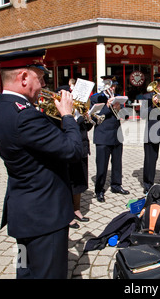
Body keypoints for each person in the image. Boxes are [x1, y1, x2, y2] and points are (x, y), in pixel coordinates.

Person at [0, 49, 83, 279]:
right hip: (44, 218)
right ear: (23, 78)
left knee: (25, 270)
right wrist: (68, 116)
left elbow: (38, 144)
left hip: (23, 214)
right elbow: (73, 151)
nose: (42, 85)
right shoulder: (25, 116)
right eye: (39, 79)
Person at [57, 82, 93, 229]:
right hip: (66, 150)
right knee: (67, 182)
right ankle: (66, 215)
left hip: (82, 147)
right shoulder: (58, 110)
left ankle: (76, 210)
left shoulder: (78, 108)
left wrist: (87, 118)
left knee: (79, 180)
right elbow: (64, 127)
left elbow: (87, 128)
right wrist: (77, 120)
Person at [90, 75, 129, 203]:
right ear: (105, 85)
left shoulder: (118, 98)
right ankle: (99, 190)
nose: (113, 88)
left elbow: (126, 116)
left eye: (114, 85)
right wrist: (107, 107)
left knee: (117, 163)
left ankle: (116, 185)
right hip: (102, 136)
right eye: (110, 85)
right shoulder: (96, 98)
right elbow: (94, 118)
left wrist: (120, 109)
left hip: (116, 135)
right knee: (102, 165)